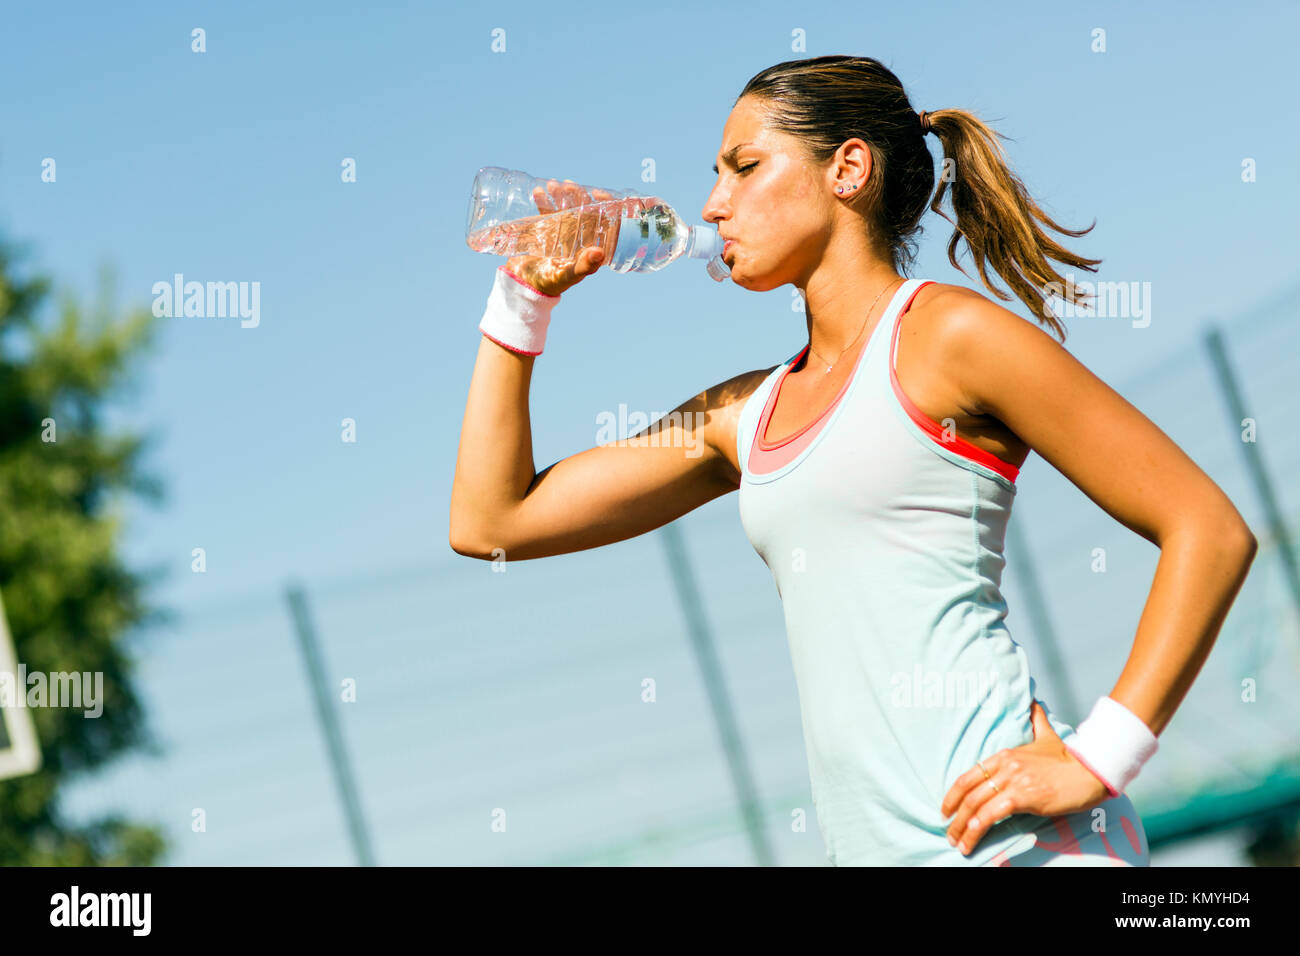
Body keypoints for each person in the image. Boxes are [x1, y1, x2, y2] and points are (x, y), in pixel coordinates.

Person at [449, 55, 1258, 866]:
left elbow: (1207, 528)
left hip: (1018, 849)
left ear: (848, 169)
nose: (712, 204)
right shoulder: (741, 415)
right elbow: (492, 522)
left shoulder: (950, 338)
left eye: (745, 167)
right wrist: (524, 295)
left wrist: (1101, 757)